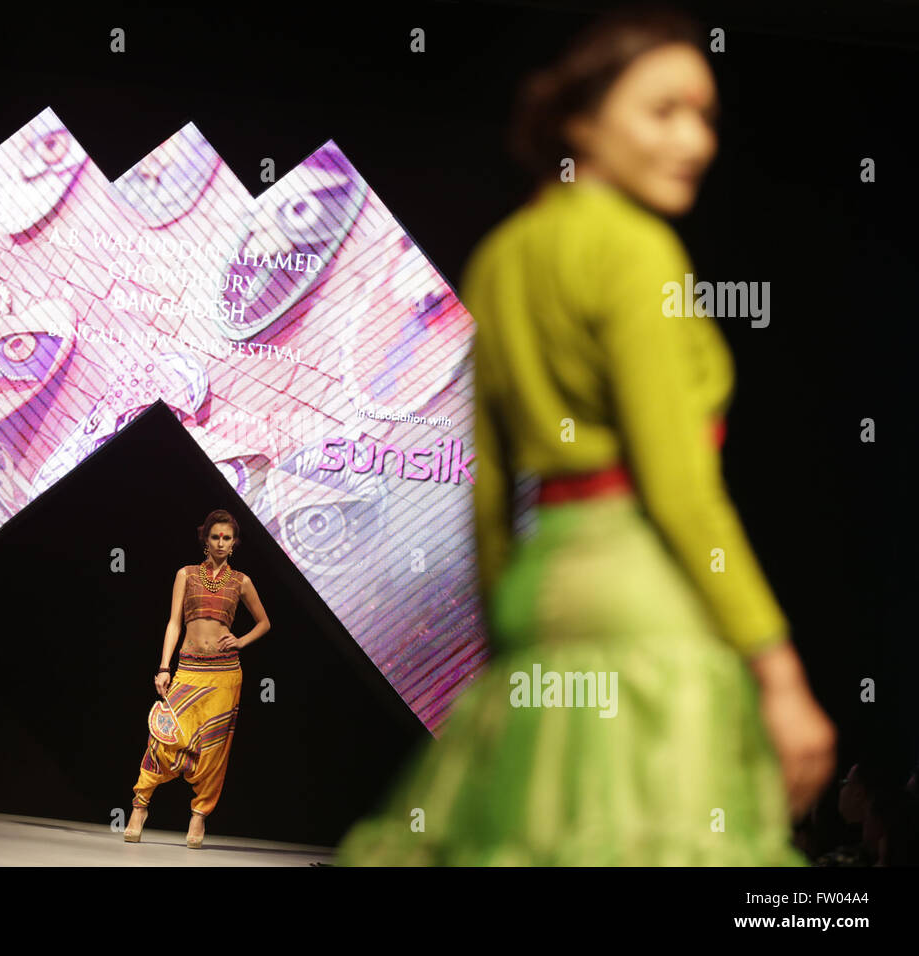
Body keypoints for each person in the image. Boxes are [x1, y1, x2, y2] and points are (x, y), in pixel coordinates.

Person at [336, 7, 836, 865]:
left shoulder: (502, 256)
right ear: (582, 121)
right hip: (642, 595)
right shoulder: (638, 251)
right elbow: (679, 490)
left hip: (542, 598)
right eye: (664, 110)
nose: (696, 141)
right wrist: (780, 675)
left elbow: (489, 495)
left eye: (706, 117)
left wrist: (509, 635)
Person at [124, 509, 270, 848]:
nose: (221, 543)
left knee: (213, 751)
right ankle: (139, 805)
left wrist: (241, 640)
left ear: (234, 543)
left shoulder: (241, 581)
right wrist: (164, 667)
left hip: (225, 674)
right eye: (215, 536)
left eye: (227, 538)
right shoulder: (186, 575)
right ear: (206, 539)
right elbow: (174, 623)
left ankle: (199, 816)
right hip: (188, 668)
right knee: (164, 736)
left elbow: (264, 622)